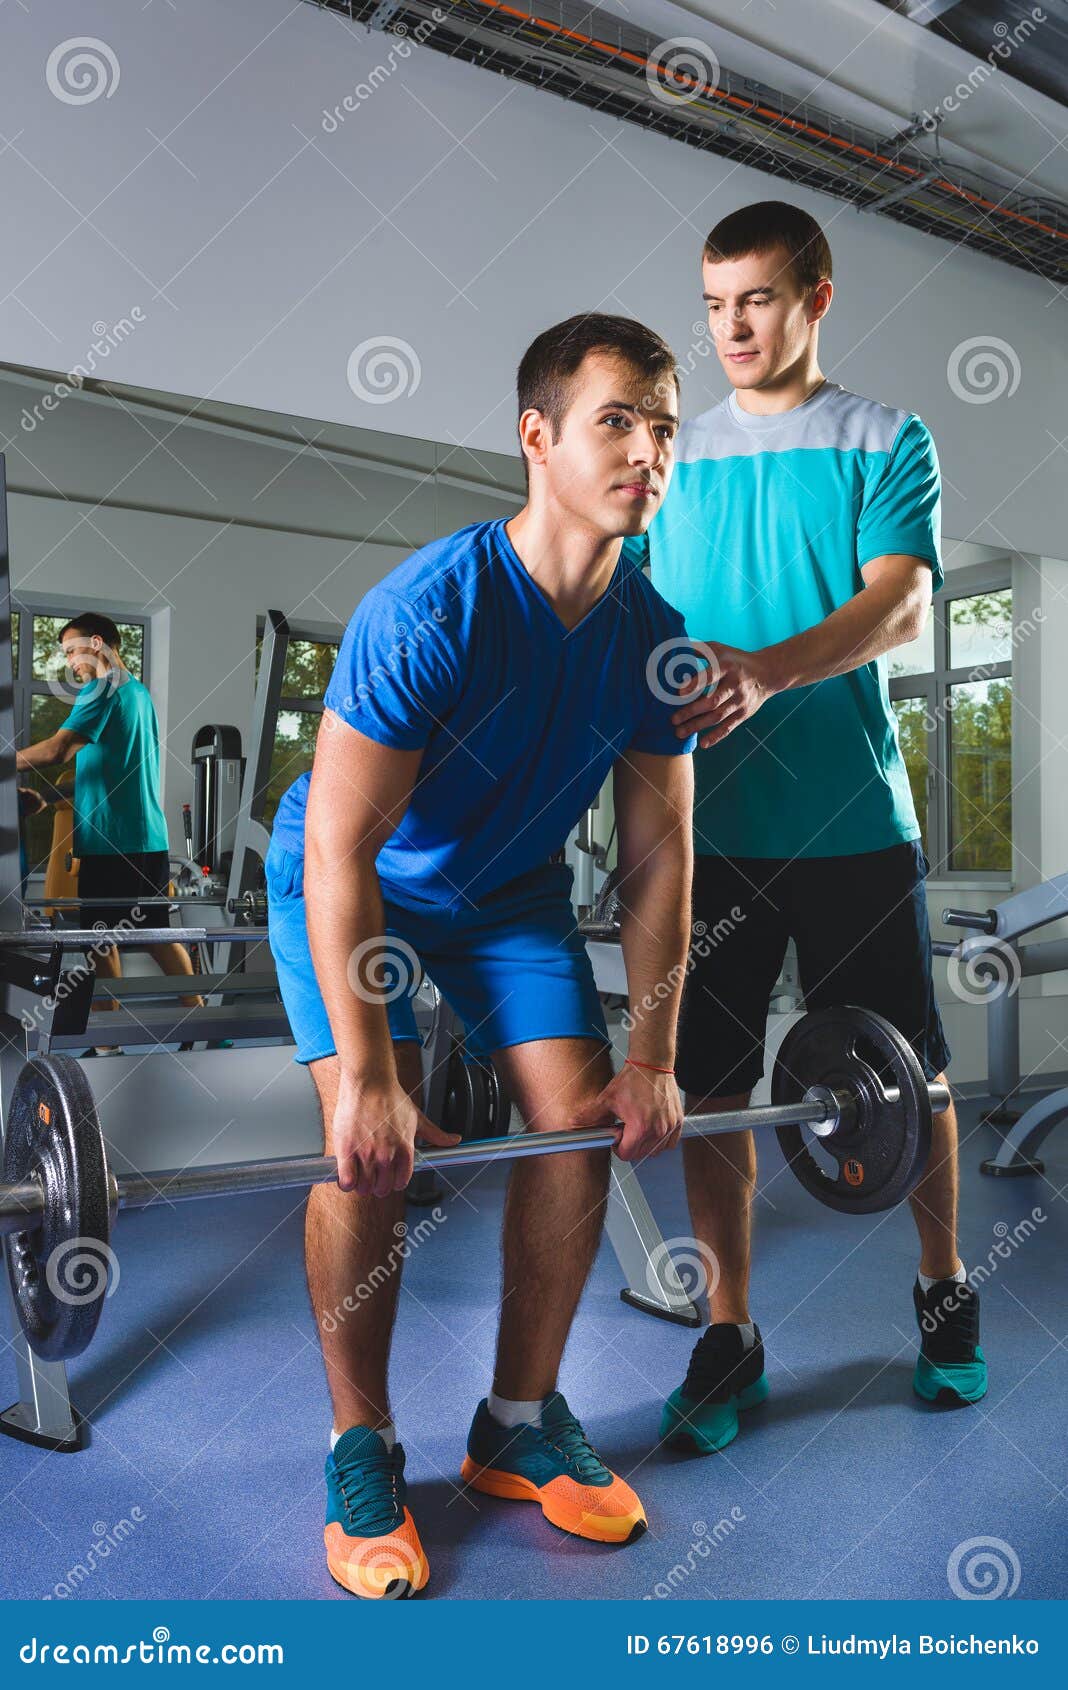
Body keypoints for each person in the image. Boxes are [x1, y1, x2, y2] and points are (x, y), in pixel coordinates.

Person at [265, 313, 697, 1599]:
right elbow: (343, 846)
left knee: (576, 1124)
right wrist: (369, 1066)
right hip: (357, 880)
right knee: (368, 1142)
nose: (649, 450)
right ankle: (364, 1441)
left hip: (504, 893)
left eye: (667, 427)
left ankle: (517, 1420)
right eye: (618, 419)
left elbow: (663, 856)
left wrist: (656, 1053)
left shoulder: (650, 635)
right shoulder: (430, 609)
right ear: (538, 438)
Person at [621, 200, 984, 1458]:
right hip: (707, 831)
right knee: (712, 1088)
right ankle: (730, 1329)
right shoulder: (675, 454)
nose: (731, 326)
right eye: (715, 303)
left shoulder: (887, 437)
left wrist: (766, 671)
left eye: (758, 300)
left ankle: (941, 1282)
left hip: (851, 828)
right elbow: (630, 618)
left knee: (909, 1067)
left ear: (817, 297)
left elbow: (899, 610)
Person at [15, 613, 202, 1041]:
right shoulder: (135, 692)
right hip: (128, 838)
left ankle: (178, 1022)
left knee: (142, 938)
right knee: (109, 940)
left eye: (72, 651)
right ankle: (119, 1033)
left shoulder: (102, 686)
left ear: (96, 643)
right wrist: (52, 800)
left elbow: (59, 749)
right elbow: (110, 771)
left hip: (118, 842)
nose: (71, 664)